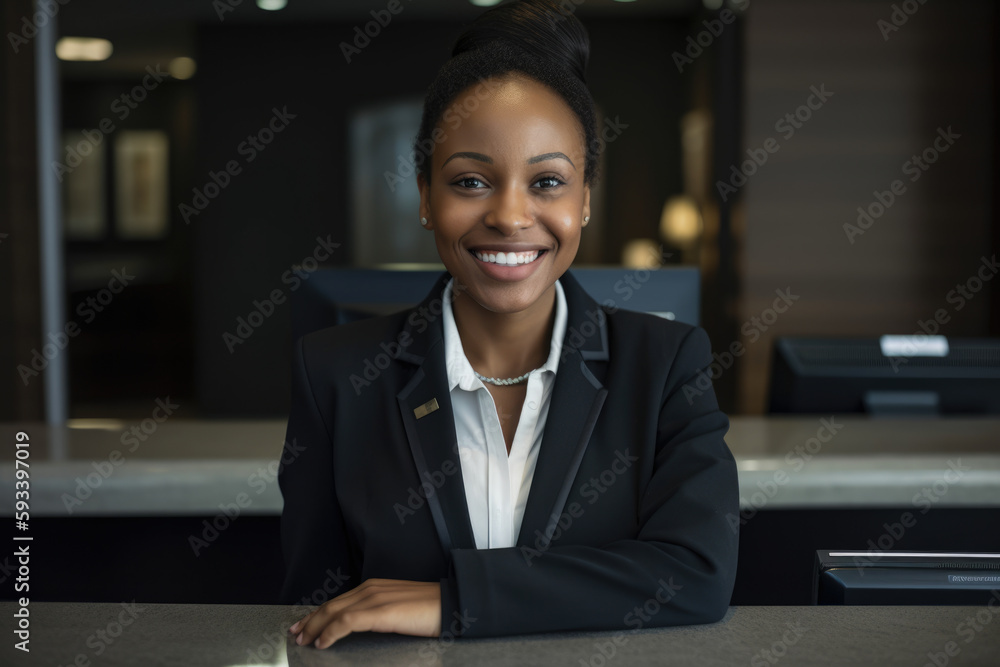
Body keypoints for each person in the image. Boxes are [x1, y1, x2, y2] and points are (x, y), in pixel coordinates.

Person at [280, 0, 738, 650]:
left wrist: (453, 601)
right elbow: (318, 616)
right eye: (470, 181)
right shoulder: (335, 374)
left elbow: (696, 574)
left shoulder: (666, 363)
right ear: (424, 197)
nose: (510, 215)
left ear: (584, 201)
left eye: (547, 181)